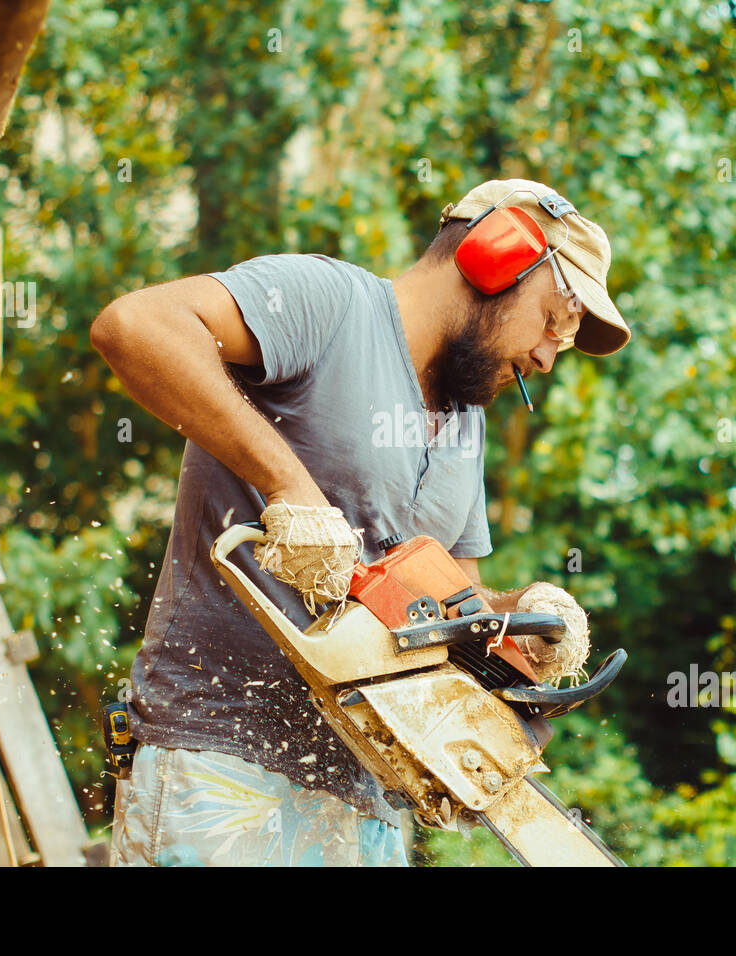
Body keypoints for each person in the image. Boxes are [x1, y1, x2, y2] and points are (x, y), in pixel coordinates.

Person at [90, 177, 631, 866]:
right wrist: (289, 486)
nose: (550, 355)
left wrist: (521, 618)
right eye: (558, 320)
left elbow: (450, 606)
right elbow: (134, 326)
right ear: (498, 255)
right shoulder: (329, 304)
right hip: (222, 765)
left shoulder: (467, 424)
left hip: (365, 805)